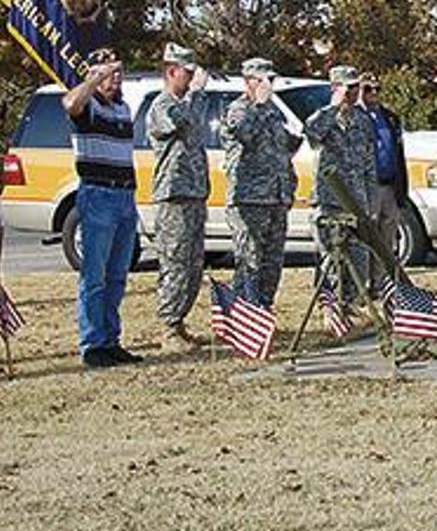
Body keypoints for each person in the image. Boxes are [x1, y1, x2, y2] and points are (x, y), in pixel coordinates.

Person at [61, 46, 141, 369]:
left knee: (117, 275)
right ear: (94, 74)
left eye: (118, 73)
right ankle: (92, 342)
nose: (115, 78)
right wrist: (93, 82)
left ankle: (111, 338)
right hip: (98, 197)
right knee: (94, 275)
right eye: (109, 73)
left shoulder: (122, 108)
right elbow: (70, 103)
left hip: (123, 197)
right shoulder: (88, 106)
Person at [221, 57, 300, 307]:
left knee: (272, 262)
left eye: (272, 80)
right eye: (264, 79)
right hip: (249, 199)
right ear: (249, 82)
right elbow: (244, 135)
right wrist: (258, 105)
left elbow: (281, 149)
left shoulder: (272, 111)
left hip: (276, 197)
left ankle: (263, 311)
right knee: (250, 263)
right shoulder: (240, 109)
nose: (269, 84)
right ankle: (244, 316)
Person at [146, 43, 211, 348]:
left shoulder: (187, 103)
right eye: (187, 72)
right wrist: (196, 93)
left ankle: (180, 321)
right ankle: (168, 326)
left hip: (194, 193)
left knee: (193, 263)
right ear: (171, 71)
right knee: (174, 262)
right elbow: (178, 122)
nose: (192, 78)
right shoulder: (162, 105)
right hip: (173, 196)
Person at [304, 65, 377, 306]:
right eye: (349, 87)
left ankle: (351, 305)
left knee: (359, 261)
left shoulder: (362, 120)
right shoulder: (323, 117)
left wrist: (371, 202)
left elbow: (368, 165)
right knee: (332, 261)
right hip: (330, 202)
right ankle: (331, 309)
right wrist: (335, 105)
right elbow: (312, 134)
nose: (354, 92)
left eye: (356, 87)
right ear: (335, 88)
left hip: (357, 202)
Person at [359, 73, 408, 292]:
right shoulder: (356, 117)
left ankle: (381, 283)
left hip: (389, 185)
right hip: (368, 186)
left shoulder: (389, 117)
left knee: (387, 237)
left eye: (377, 89)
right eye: (368, 89)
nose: (374, 93)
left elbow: (397, 153)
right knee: (368, 236)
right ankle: (362, 284)